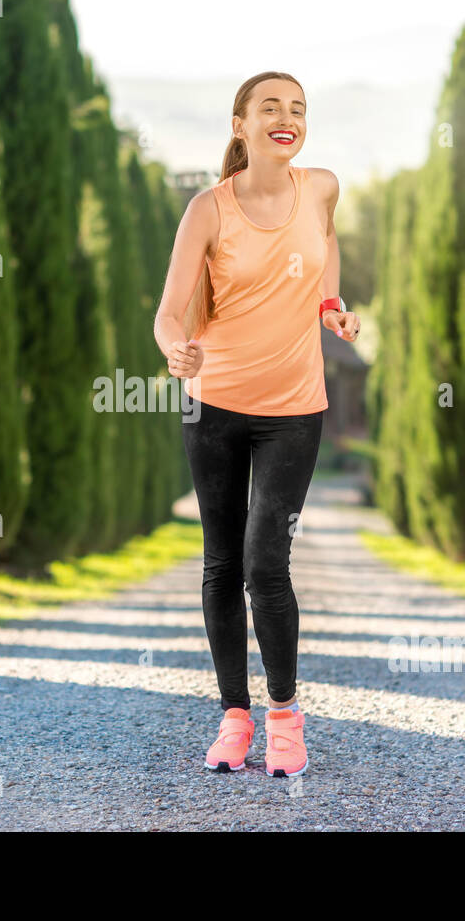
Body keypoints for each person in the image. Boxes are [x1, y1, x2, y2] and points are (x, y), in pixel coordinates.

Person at [153, 71, 359, 777]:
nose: (287, 117)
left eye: (297, 109)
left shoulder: (323, 186)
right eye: (270, 107)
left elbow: (326, 241)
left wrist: (331, 304)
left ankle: (285, 715)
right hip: (213, 406)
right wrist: (173, 348)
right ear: (241, 124)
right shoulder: (208, 209)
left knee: (266, 559)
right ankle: (233, 716)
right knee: (221, 561)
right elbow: (169, 310)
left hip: (294, 410)